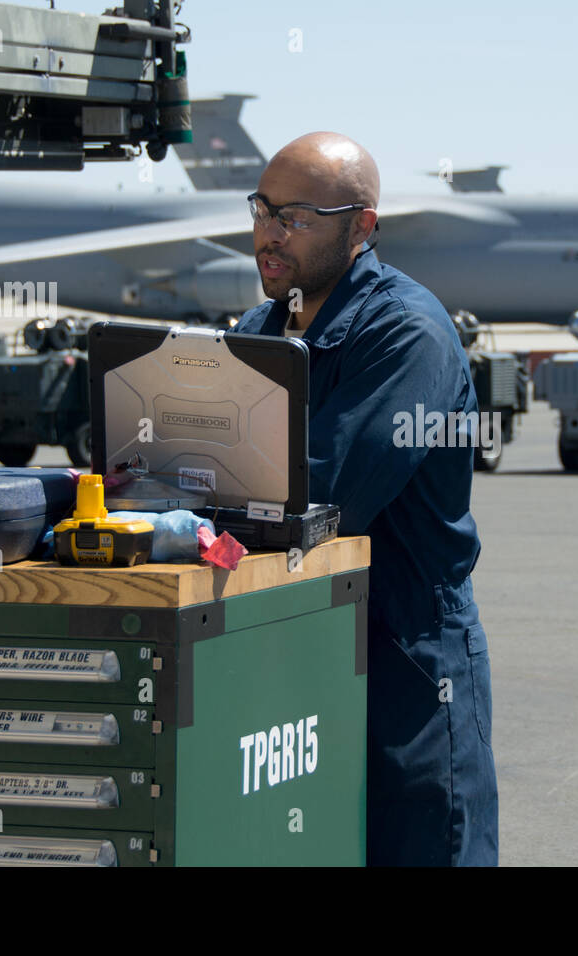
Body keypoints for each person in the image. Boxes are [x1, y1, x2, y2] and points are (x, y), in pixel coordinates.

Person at [234, 132, 498, 866]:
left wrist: (196, 500)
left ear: (362, 227)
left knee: (417, 844)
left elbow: (325, 494)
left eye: (298, 216)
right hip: (294, 648)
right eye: (262, 209)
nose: (270, 233)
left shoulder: (408, 334)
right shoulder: (260, 329)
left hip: (407, 657)